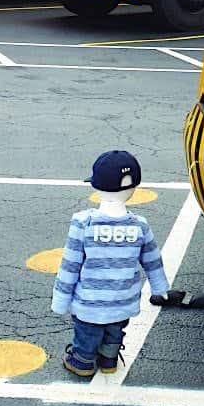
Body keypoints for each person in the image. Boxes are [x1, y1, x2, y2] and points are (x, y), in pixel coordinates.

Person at [51, 150, 169, 376]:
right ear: (133, 188)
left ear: (97, 187)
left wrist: (60, 301)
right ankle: (109, 359)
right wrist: (160, 288)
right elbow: (153, 261)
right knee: (115, 331)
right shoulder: (139, 226)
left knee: (88, 332)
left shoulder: (84, 223)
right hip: (123, 300)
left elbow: (70, 266)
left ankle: (82, 361)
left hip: (90, 301)